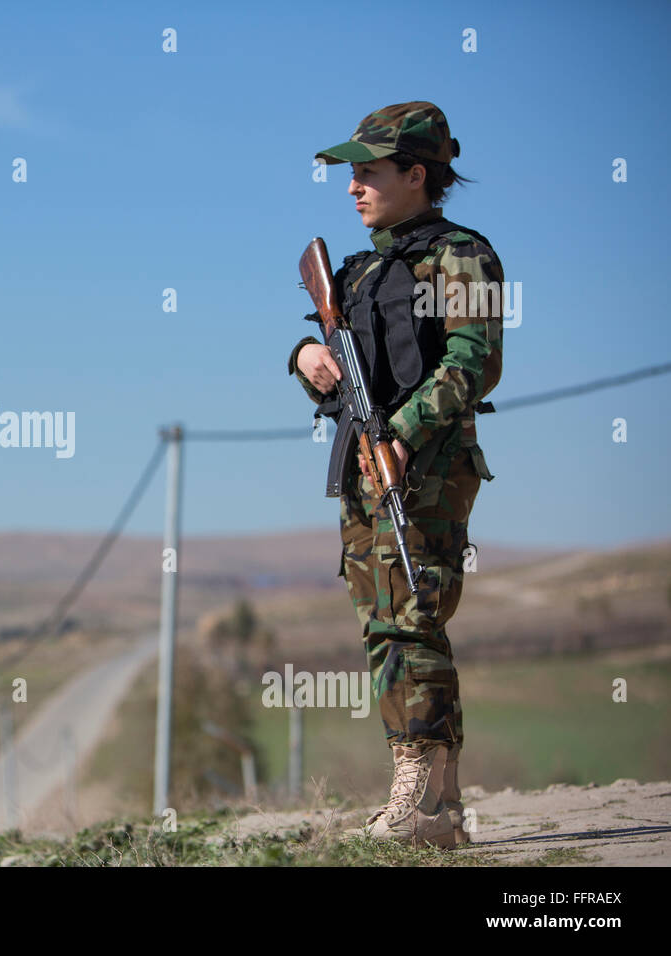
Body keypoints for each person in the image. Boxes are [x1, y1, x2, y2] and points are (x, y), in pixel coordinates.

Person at [287, 102, 503, 849]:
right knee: (385, 622)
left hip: (428, 464)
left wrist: (405, 435)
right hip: (363, 465)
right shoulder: (356, 271)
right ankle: (437, 807)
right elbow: (341, 367)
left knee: (413, 615)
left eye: (369, 172)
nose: (353, 187)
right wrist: (304, 361)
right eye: (350, 174)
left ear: (417, 174)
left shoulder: (463, 256)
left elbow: (474, 361)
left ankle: (423, 797)